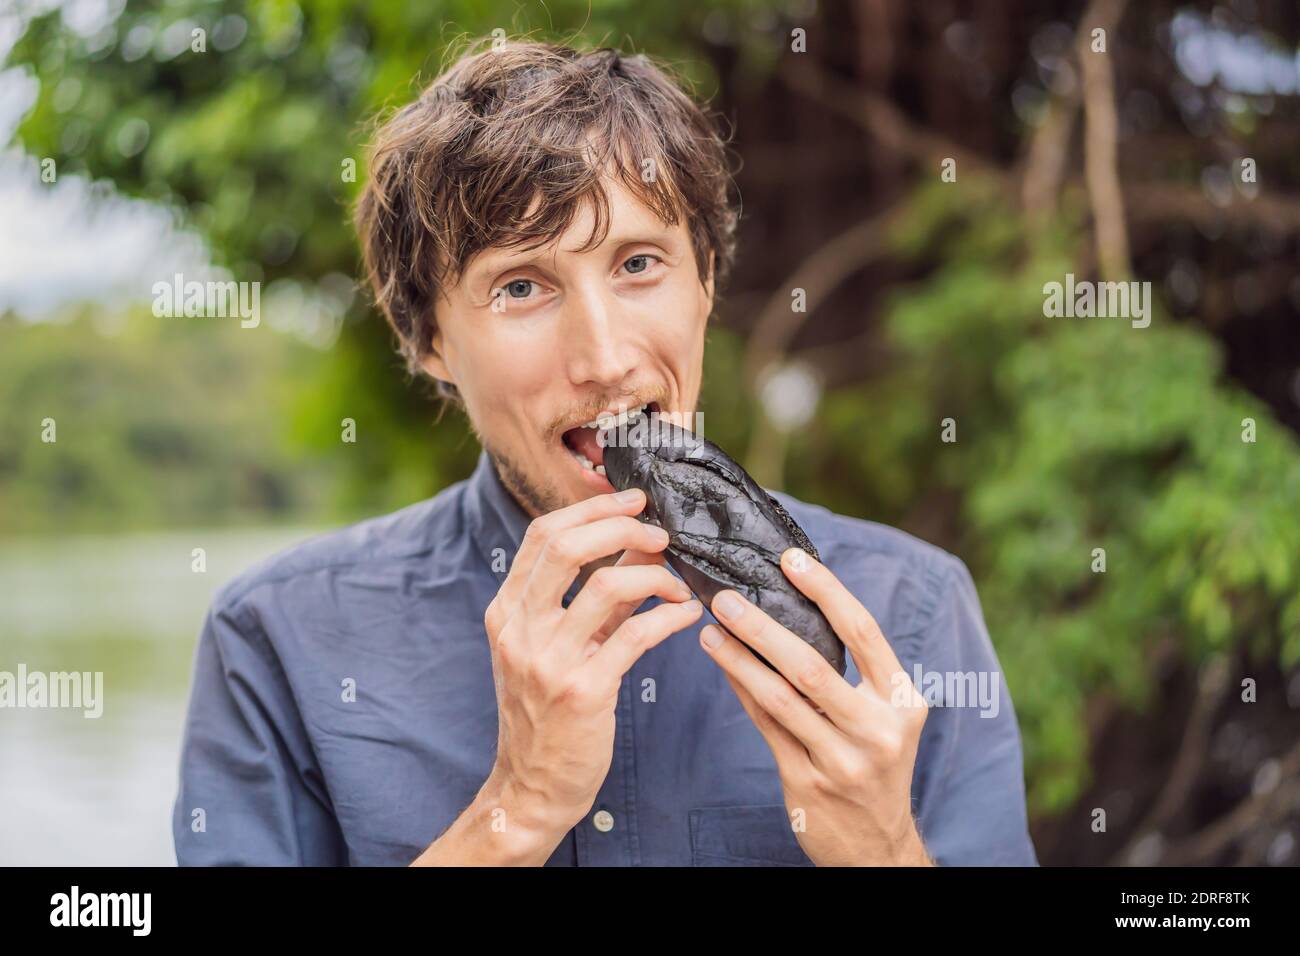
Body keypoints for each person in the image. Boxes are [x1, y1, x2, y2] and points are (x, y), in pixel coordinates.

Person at [172, 41, 1037, 867]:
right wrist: (516, 810)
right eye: (521, 286)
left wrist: (882, 852)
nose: (604, 358)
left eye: (637, 263)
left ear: (706, 280)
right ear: (430, 341)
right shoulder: (276, 640)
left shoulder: (915, 609)